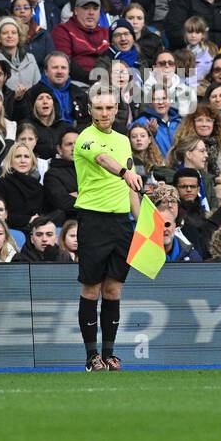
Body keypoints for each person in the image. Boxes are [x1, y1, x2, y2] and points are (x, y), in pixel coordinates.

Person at [74, 83, 142, 372]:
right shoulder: (85, 139)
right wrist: (126, 173)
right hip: (93, 219)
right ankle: (91, 357)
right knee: (92, 288)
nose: (104, 112)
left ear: (117, 109)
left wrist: (141, 223)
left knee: (114, 290)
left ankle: (110, 354)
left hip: (121, 223)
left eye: (109, 107)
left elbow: (132, 187)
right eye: (98, 107)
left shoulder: (124, 140)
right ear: (90, 110)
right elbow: (104, 161)